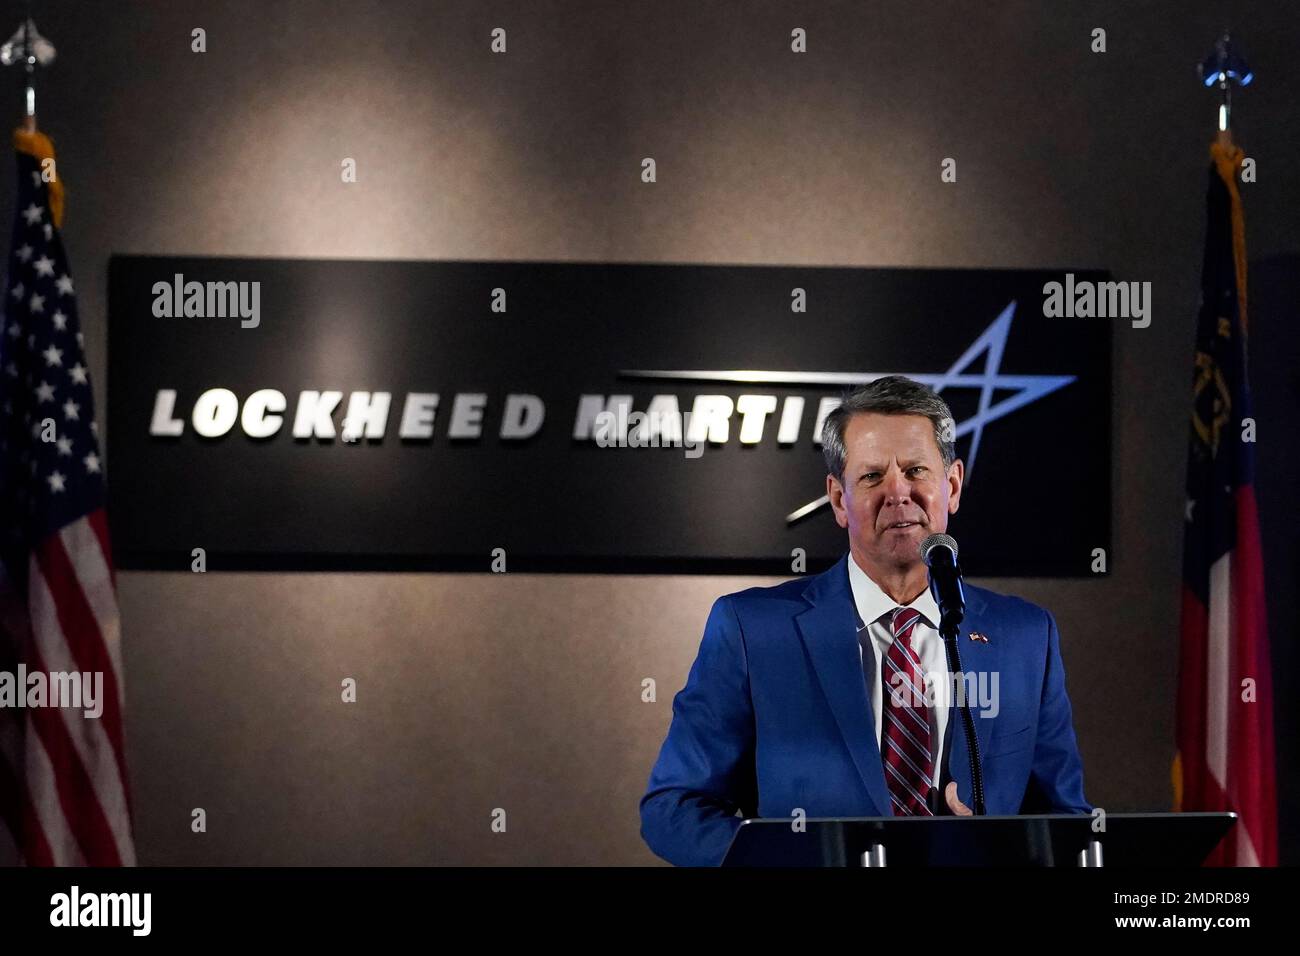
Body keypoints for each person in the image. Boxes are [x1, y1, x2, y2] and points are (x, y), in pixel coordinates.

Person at [639, 375, 1090, 866]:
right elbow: (674, 806)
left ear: (953, 485)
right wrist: (786, 860)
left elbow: (1065, 821)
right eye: (872, 476)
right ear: (838, 499)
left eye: (917, 470)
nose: (899, 492)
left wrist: (1004, 848)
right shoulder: (752, 631)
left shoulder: (1026, 636)